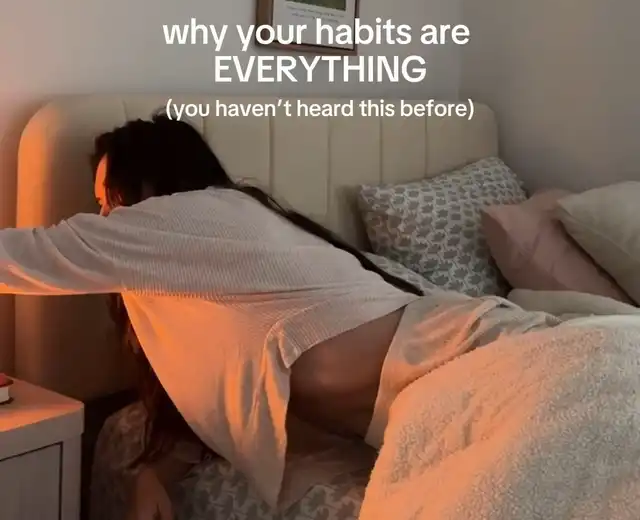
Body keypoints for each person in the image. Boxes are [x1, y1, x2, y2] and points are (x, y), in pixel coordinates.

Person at [0, 115, 558, 520]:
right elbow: (218, 400)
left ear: (155, 187)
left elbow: (25, 256)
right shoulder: (217, 270)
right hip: (459, 380)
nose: (104, 220)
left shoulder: (184, 217)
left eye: (110, 200)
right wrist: (154, 472)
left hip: (480, 364)